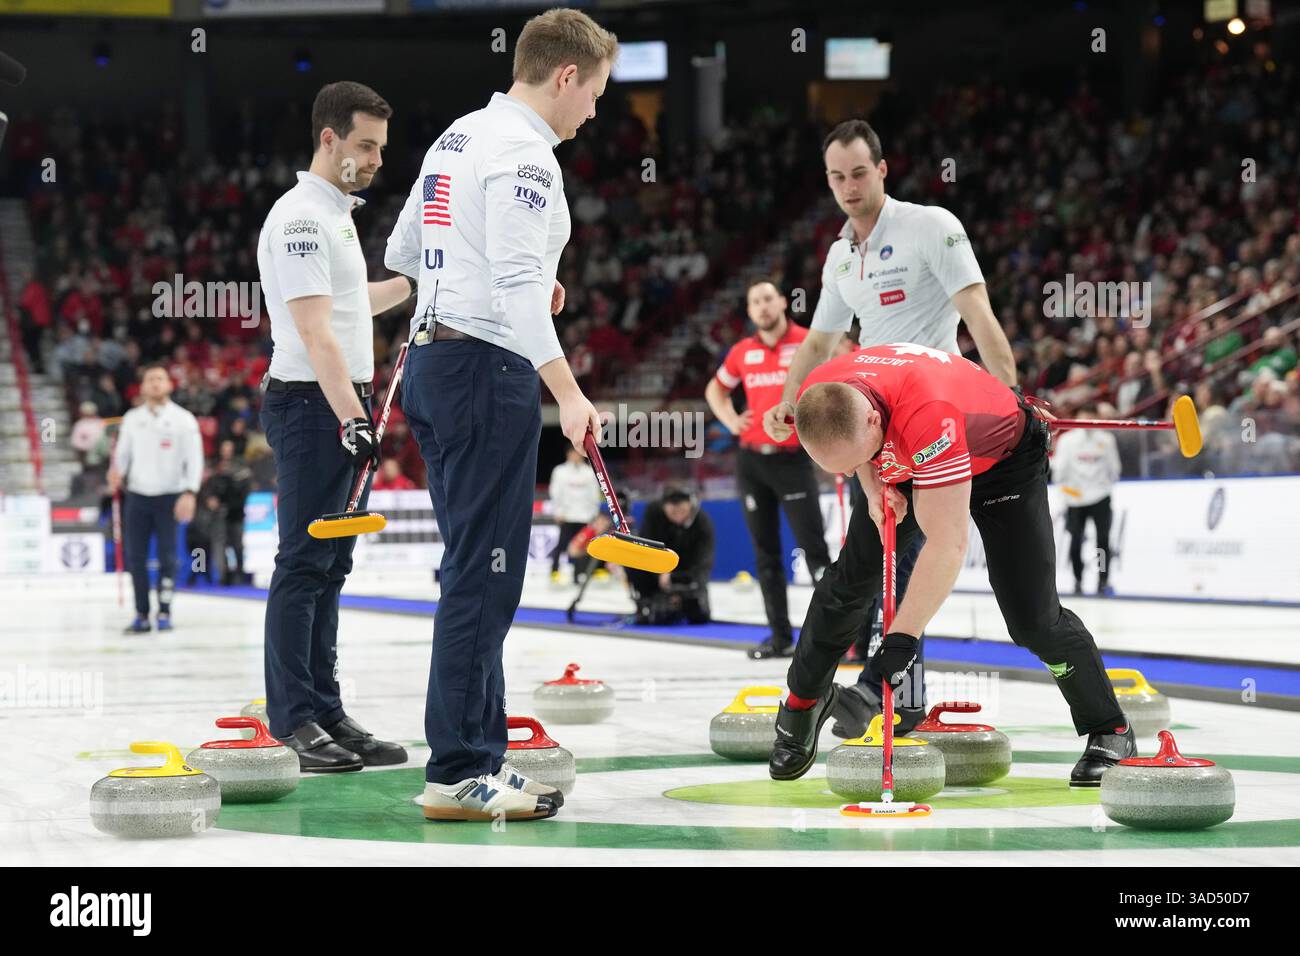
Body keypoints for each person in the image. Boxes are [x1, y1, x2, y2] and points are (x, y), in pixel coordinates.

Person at [384, 7, 616, 821]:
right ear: (565, 76)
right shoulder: (526, 153)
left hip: (435, 365)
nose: (594, 111)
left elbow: (406, 252)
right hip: (487, 372)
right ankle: (455, 770)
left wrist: (497, 285)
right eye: (595, 92)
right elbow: (515, 289)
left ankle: (477, 754)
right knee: (485, 578)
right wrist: (571, 392)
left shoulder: (455, 136)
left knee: (473, 569)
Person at [767, 343, 1134, 788]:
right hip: (901, 454)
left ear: (871, 419)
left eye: (858, 458)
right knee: (848, 583)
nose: (855, 467)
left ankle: (1110, 728)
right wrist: (873, 481)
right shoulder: (823, 392)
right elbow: (859, 455)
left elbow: (947, 543)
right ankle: (803, 703)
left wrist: (901, 639)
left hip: (1000, 462)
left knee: (1033, 620)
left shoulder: (929, 411)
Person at [762, 118, 1018, 738]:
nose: (848, 186)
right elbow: (822, 338)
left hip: (934, 419)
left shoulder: (931, 226)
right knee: (873, 568)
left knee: (912, 562)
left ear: (881, 170)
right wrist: (790, 400)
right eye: (836, 177)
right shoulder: (839, 254)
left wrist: (1008, 393)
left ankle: (901, 701)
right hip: (871, 426)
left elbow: (977, 315)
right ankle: (870, 696)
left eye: (858, 173)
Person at [256, 80, 414, 773]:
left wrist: (421, 280)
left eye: (381, 146)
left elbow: (355, 301)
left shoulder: (337, 214)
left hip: (338, 403)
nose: (378, 158)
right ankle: (293, 719)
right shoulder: (300, 218)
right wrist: (352, 419)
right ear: (329, 139)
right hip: (312, 403)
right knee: (303, 562)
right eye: (366, 145)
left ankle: (324, 708)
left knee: (331, 564)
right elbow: (316, 332)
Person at [704, 279, 830, 659]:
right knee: (766, 554)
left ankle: (832, 639)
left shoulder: (810, 341)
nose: (762, 306)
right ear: (749, 310)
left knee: (815, 552)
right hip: (752, 461)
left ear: (782, 302)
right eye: (754, 301)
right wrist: (729, 419)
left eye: (768, 298)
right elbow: (716, 389)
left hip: (794, 458)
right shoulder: (742, 351)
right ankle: (779, 637)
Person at [109, 364, 203, 633]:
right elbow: (122, 456)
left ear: (169, 385)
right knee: (135, 557)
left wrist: (190, 492)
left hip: (170, 496)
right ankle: (141, 613)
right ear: (142, 386)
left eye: (160, 379)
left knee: (168, 556)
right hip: (138, 496)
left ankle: (164, 611)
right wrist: (115, 473)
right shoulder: (132, 418)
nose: (155, 383)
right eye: (150, 379)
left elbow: (194, 459)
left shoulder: (183, 419)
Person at [1052, 406, 1120, 596]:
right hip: (1075, 500)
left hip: (1100, 497)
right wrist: (1069, 493)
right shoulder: (1067, 441)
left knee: (1103, 542)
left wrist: (1103, 487)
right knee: (1075, 542)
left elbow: (1114, 469)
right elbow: (1060, 472)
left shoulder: (1106, 440)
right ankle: (1078, 579)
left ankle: (1103, 579)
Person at [626, 487, 715, 625]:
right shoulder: (654, 513)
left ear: (690, 505)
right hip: (658, 570)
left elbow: (704, 561)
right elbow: (646, 548)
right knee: (634, 562)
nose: (678, 516)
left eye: (682, 511)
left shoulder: (702, 522)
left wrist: (689, 584)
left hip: (686, 572)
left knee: (700, 615)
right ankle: (647, 602)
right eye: (673, 512)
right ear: (664, 507)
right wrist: (661, 571)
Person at [548, 445, 602, 583]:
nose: (575, 456)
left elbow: (594, 494)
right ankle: (554, 571)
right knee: (562, 545)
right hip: (567, 516)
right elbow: (555, 492)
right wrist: (558, 511)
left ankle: (578, 575)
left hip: (584, 516)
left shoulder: (589, 472)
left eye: (578, 453)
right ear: (568, 454)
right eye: (572, 453)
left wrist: (593, 514)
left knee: (582, 547)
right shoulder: (559, 471)